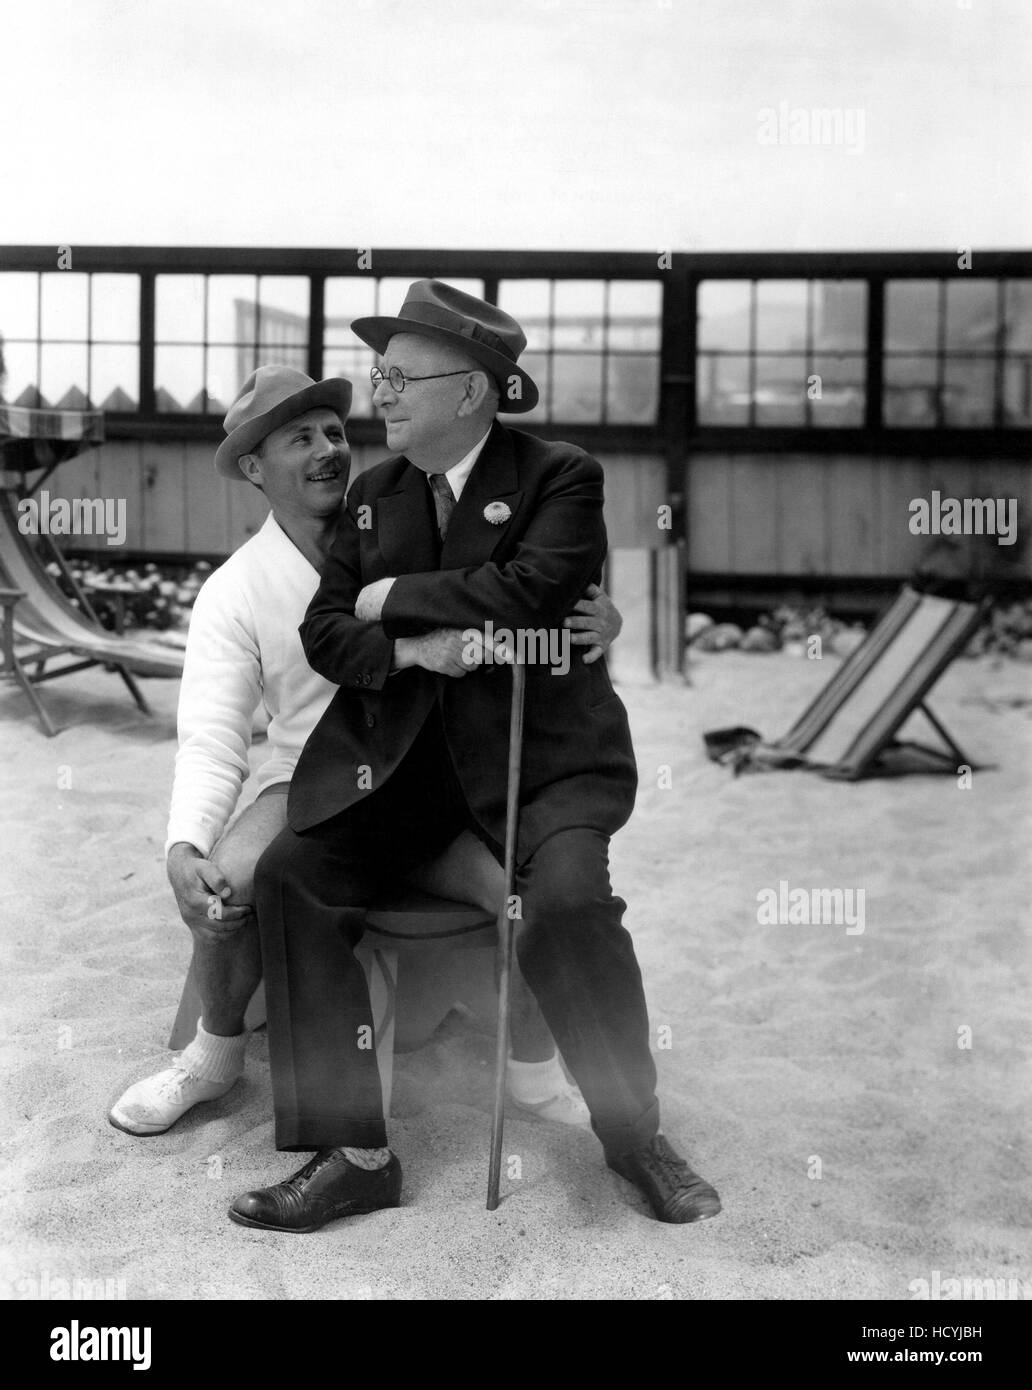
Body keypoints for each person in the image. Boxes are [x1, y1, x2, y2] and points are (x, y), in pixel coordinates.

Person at [230, 281, 721, 1232]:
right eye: (378, 373)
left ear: (472, 391)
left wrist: (391, 599)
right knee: (294, 873)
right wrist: (410, 644)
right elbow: (327, 634)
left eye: (399, 376)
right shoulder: (373, 499)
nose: (380, 395)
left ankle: (634, 1137)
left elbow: (533, 596)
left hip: (543, 768)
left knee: (570, 906)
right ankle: (356, 1154)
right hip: (405, 771)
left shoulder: (561, 476)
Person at [108, 364, 622, 1137]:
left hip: (437, 775)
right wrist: (184, 841)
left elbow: (518, 595)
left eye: (335, 433)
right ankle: (213, 1056)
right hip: (310, 780)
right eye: (299, 439)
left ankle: (534, 1071)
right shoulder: (235, 591)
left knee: (529, 892)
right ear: (254, 468)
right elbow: (213, 739)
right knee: (230, 882)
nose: (328, 451)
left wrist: (594, 625)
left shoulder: (409, 522)